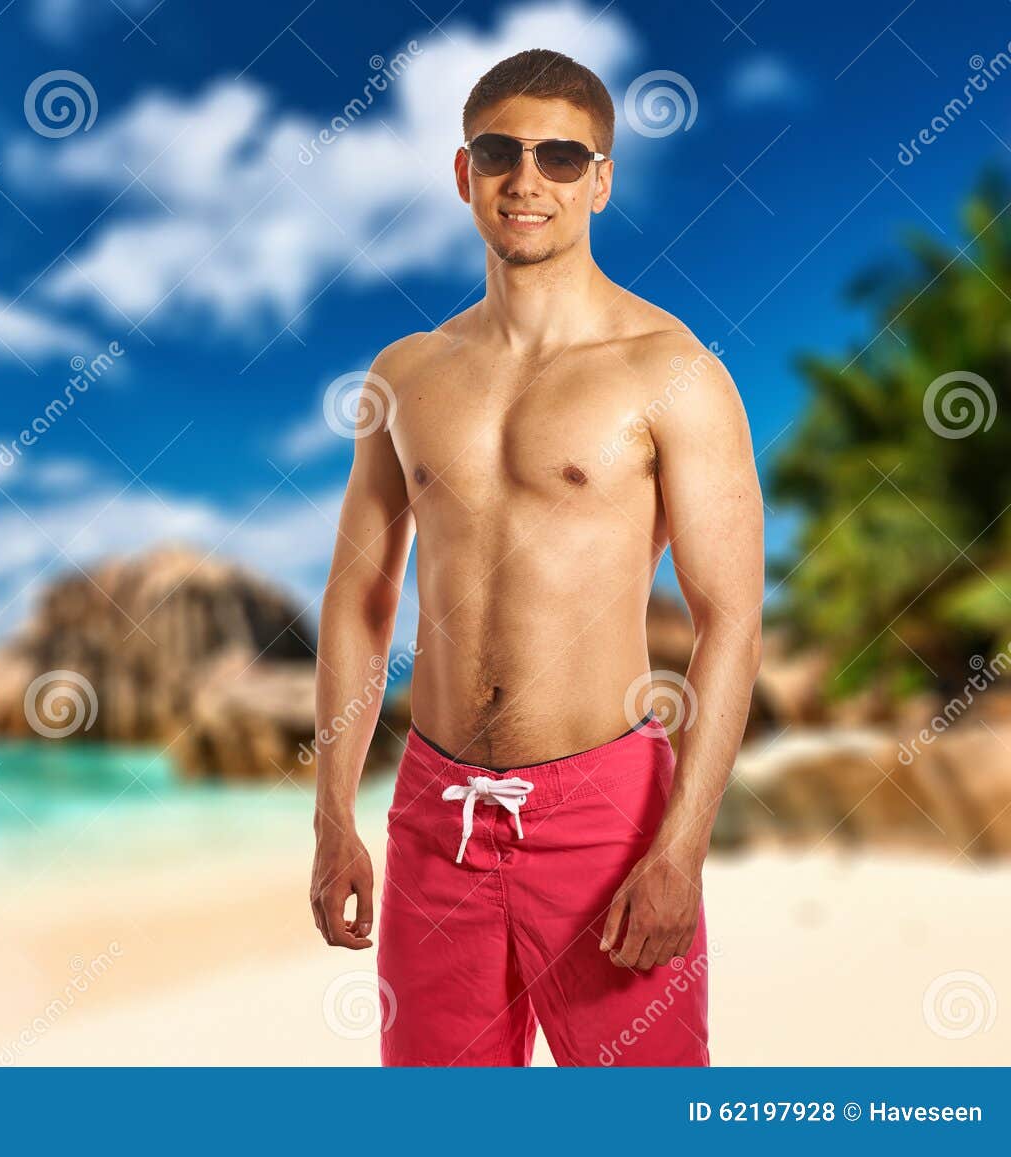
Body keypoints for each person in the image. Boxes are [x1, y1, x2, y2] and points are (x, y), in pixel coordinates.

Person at [307, 48, 763, 1067]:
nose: (527, 179)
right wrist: (333, 813)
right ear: (462, 172)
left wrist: (680, 846)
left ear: (600, 180)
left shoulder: (673, 372)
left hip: (607, 817)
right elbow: (359, 595)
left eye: (561, 157)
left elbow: (730, 619)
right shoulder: (405, 373)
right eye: (498, 152)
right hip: (434, 817)